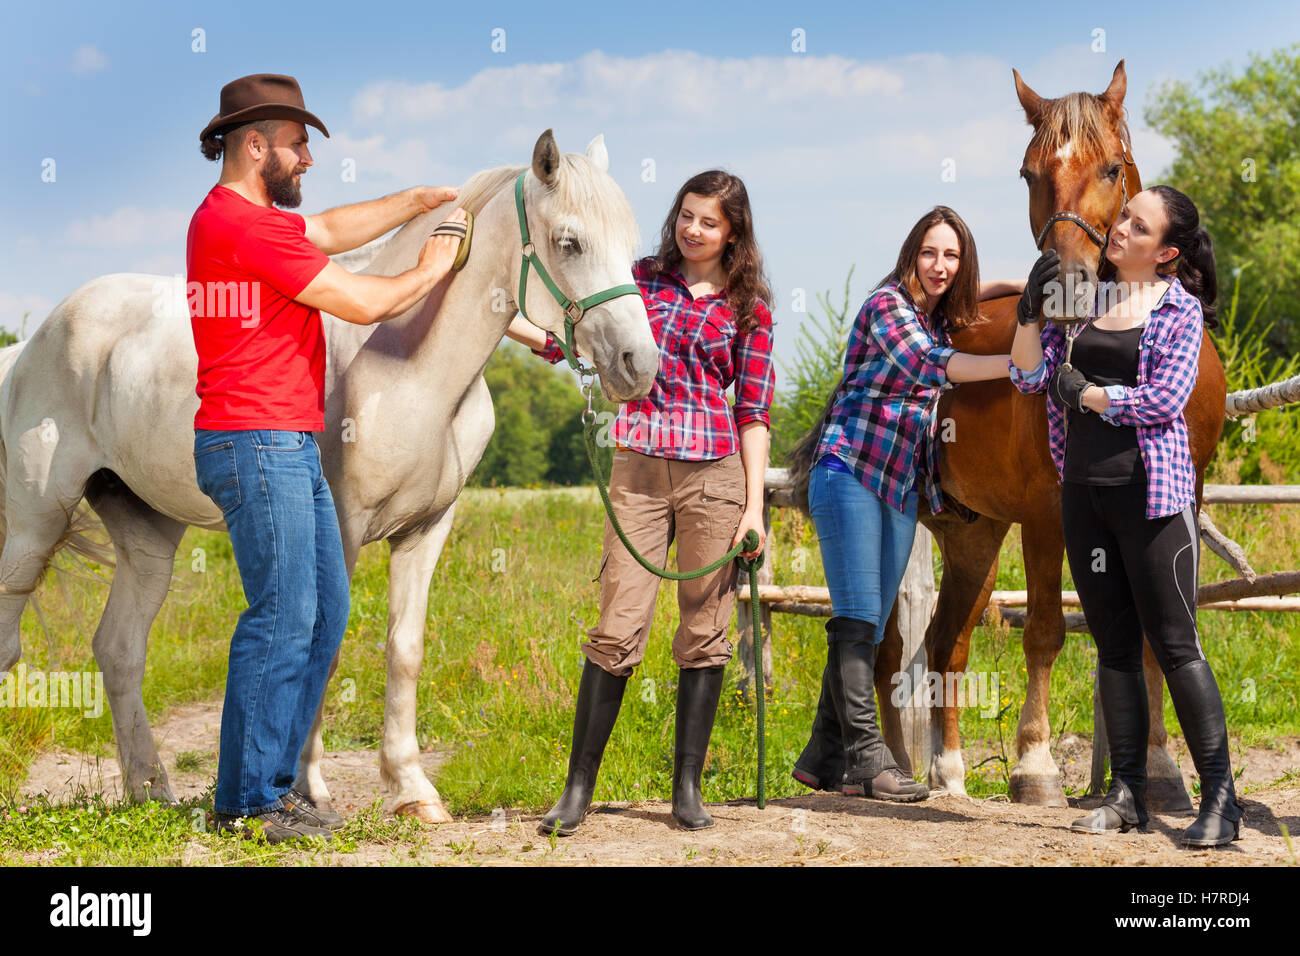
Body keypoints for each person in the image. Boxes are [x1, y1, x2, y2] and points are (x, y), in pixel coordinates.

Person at [188, 73, 468, 843]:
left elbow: (336, 227)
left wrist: (412, 203)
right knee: (282, 617)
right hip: (256, 442)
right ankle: (246, 802)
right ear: (256, 145)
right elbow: (366, 301)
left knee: (325, 612)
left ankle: (273, 788)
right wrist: (434, 267)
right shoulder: (244, 227)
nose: (307, 158)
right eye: (298, 143)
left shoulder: (248, 219)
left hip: (287, 441)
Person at [506, 170, 774, 834]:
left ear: (732, 232)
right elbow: (577, 329)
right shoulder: (639, 279)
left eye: (709, 222)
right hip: (638, 470)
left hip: (716, 476)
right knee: (617, 625)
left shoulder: (751, 308)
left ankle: (686, 787)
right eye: (686, 215)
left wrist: (753, 508)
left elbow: (754, 412)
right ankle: (577, 791)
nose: (693, 229)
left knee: (704, 633)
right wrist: (512, 323)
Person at [1009, 185, 1241, 848]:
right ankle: (1128, 793)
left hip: (1153, 498)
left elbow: (1166, 398)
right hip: (1083, 495)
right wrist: (1030, 312)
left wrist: (1091, 394)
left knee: (1174, 646)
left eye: (1138, 226)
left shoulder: (1178, 310)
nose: (1120, 229)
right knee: (1112, 649)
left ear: (1164, 252)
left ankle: (1222, 800)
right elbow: (1028, 379)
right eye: (1124, 217)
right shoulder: (1083, 306)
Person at [789, 206, 1028, 801]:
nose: (939, 265)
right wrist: (1017, 368)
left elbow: (980, 293)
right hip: (849, 469)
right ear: (908, 255)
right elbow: (929, 365)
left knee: (865, 620)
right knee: (861, 616)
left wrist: (1032, 282)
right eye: (929, 253)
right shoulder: (888, 307)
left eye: (952, 255)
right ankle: (868, 760)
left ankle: (822, 757)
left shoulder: (939, 314)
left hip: (899, 484)